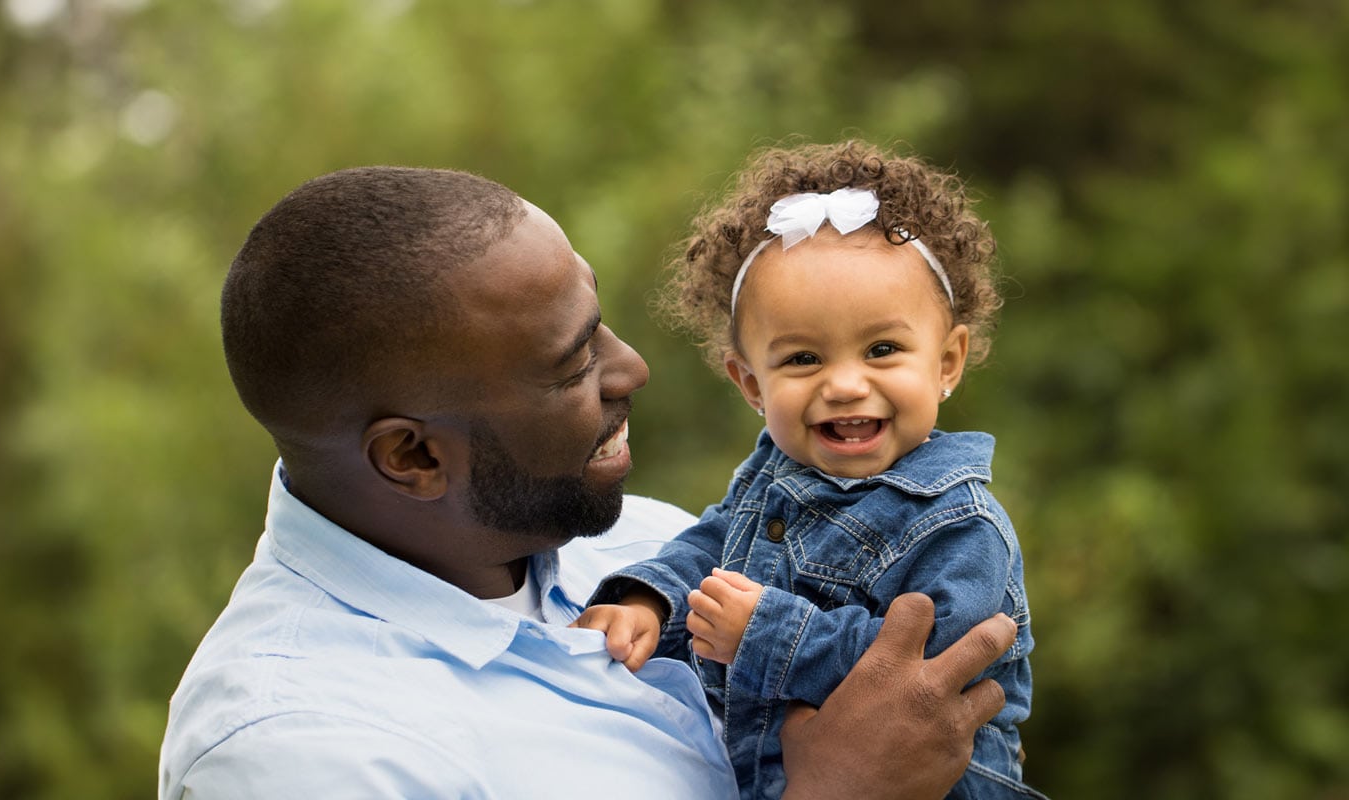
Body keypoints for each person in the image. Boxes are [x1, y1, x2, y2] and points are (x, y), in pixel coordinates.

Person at [158, 164, 1018, 799]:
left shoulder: (644, 543)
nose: (633, 368)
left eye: (598, 324)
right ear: (414, 457)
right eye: (571, 366)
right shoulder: (298, 751)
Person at [573, 141, 1044, 799]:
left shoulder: (958, 523)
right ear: (750, 384)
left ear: (948, 361)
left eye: (882, 350)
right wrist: (652, 599)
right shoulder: (776, 473)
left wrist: (767, 634)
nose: (846, 385)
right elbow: (714, 549)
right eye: (802, 360)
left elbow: (935, 675)